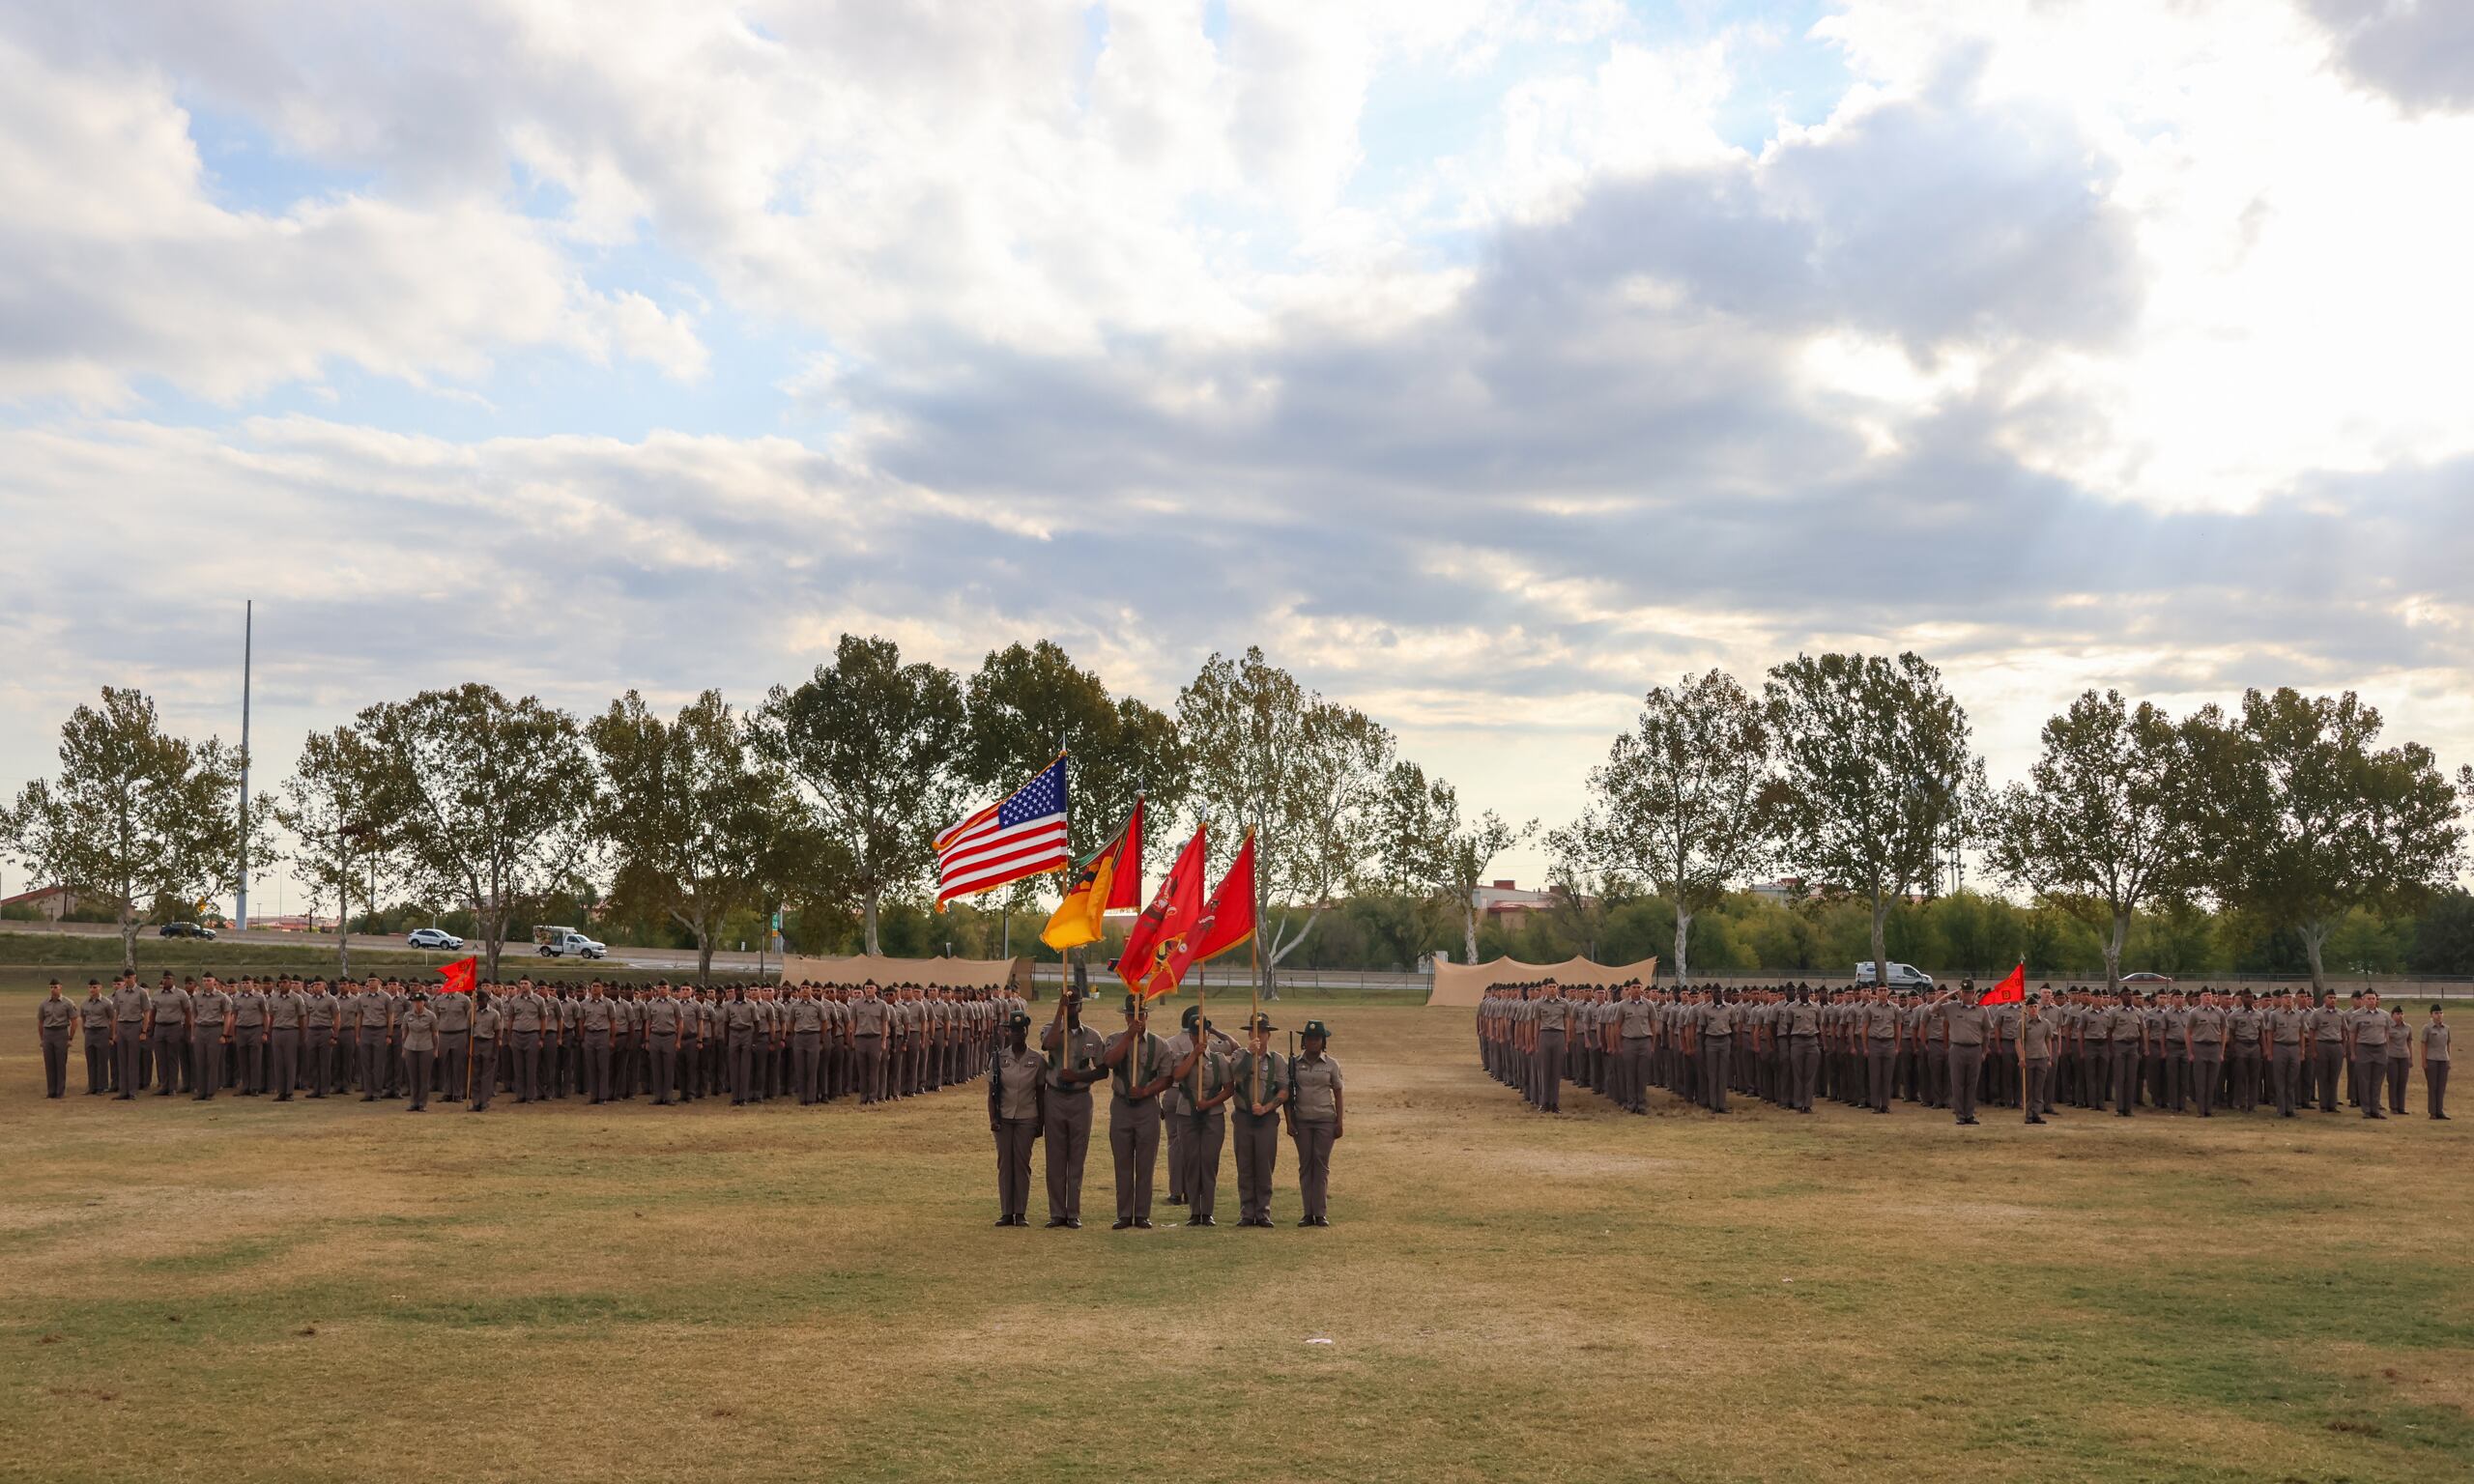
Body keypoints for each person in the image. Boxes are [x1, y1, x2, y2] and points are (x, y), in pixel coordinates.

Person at [1038, 985, 1109, 1228]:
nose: (1070, 1008)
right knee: (1055, 1157)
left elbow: (1102, 1071)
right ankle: (1056, 1212)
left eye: (1073, 1005)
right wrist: (1060, 1013)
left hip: (1080, 1099)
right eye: (1066, 1004)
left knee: (1076, 1157)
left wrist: (1078, 1077)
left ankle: (1073, 1212)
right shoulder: (1051, 1028)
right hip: (1055, 1098)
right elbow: (1048, 1044)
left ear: (1080, 1006)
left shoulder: (1092, 1036)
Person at [1102, 993, 1171, 1229]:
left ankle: (1141, 1214)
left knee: (1145, 1163)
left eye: (1140, 1015)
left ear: (1147, 1015)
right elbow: (1110, 1062)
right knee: (1122, 1163)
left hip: (1147, 1108)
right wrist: (1128, 1037)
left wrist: (1146, 1091)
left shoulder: (1160, 1045)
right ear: (1126, 1017)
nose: (1136, 1019)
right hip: (1121, 1106)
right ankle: (1123, 1214)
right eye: (1131, 1015)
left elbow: (1166, 1078)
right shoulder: (1114, 1039)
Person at [1168, 1005, 1235, 1227]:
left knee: (1208, 1162)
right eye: (1195, 1033)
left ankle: (1207, 1211)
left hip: (1212, 1115)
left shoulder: (1217, 1060)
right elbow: (1177, 1076)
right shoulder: (1181, 1056)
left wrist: (1209, 1103)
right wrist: (1193, 1055)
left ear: (1208, 1034)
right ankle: (1194, 1212)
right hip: (1187, 1113)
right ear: (1190, 1035)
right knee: (1191, 1161)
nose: (1200, 1037)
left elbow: (1228, 1088)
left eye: (1203, 1033)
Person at [1229, 1013, 1289, 1228]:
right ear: (1249, 1034)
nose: (1259, 1035)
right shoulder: (1239, 1055)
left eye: (1263, 1032)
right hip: (1243, 1117)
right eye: (1255, 1031)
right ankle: (1247, 1212)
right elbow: (1236, 1077)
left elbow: (1284, 1090)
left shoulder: (1278, 1061)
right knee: (1245, 1165)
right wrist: (1249, 1055)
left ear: (1268, 1035)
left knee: (1264, 1166)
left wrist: (1267, 1107)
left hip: (1266, 1120)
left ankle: (1263, 1212)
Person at [988, 1012, 1046, 1226]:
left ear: (1026, 1032)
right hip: (1003, 1118)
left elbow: (1041, 1093)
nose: (1017, 1034)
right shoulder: (998, 1059)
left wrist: (1041, 1122)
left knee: (1022, 1164)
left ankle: (1020, 1212)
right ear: (1007, 1032)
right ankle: (1006, 1212)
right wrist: (993, 1118)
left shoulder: (1037, 1059)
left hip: (1027, 1117)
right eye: (1013, 1030)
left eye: (1020, 1030)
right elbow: (992, 1093)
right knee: (1005, 1165)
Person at [1288, 1021, 1343, 1227]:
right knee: (1305, 1165)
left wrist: (1339, 1121)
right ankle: (1307, 1213)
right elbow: (1288, 1094)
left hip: (1324, 1120)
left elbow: (1338, 1093)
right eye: (1309, 1039)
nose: (1313, 1042)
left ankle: (1319, 1213)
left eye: (1317, 1039)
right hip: (1301, 1120)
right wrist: (1289, 1121)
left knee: (1320, 1165)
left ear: (1323, 1042)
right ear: (1303, 1041)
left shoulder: (1332, 1064)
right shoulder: (1294, 1063)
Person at [400, 991, 439, 1111]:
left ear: (424, 1003)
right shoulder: (407, 1015)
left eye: (419, 1002)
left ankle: (422, 1103)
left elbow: (435, 1034)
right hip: (410, 1047)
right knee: (413, 1077)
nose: (417, 1004)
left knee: (424, 1077)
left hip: (426, 1048)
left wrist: (436, 1049)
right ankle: (413, 1102)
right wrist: (403, 1049)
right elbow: (404, 1033)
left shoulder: (431, 1016)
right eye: (415, 1002)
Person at [2019, 993, 2054, 1125]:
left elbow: (2048, 1040)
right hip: (2028, 1058)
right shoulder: (2021, 1023)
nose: (2033, 1009)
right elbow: (2018, 1042)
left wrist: (2049, 1057)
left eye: (2035, 1006)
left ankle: (2036, 1113)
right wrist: (2021, 1057)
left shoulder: (2045, 1023)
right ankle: (2028, 1114)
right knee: (2028, 1088)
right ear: (2026, 1008)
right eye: (2031, 1007)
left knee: (2039, 1088)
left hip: (2042, 1057)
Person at [37, 980, 73, 1099]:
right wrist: (42, 1039)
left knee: (60, 1063)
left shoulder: (67, 1003)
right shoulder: (44, 1004)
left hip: (61, 1032)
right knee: (49, 1063)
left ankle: (60, 1091)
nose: (53, 989)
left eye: (55, 986)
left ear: (60, 987)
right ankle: (51, 1091)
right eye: (51, 987)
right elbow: (41, 1022)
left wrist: (70, 1038)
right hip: (48, 1034)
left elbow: (74, 1021)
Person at [79, 980, 112, 1096]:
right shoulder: (84, 1003)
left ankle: (102, 1087)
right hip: (89, 1032)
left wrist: (111, 1036)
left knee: (102, 1061)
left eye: (94, 987)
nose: (92, 990)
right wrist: (86, 1032)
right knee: (91, 1060)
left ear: (100, 988)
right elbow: (83, 1019)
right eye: (90, 987)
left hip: (102, 1031)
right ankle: (92, 1086)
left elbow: (112, 1019)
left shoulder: (107, 1003)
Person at [2423, 1005, 2450, 1121]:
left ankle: (2440, 1111)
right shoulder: (2427, 1028)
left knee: (2441, 1087)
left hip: (2444, 1059)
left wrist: (2449, 1059)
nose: (2439, 1015)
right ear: (2431, 1015)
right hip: (2432, 1059)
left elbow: (2448, 1044)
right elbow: (2423, 1044)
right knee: (2432, 1086)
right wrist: (2424, 1061)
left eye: (2440, 1013)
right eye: (2436, 1013)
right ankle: (2432, 1112)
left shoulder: (2446, 1028)